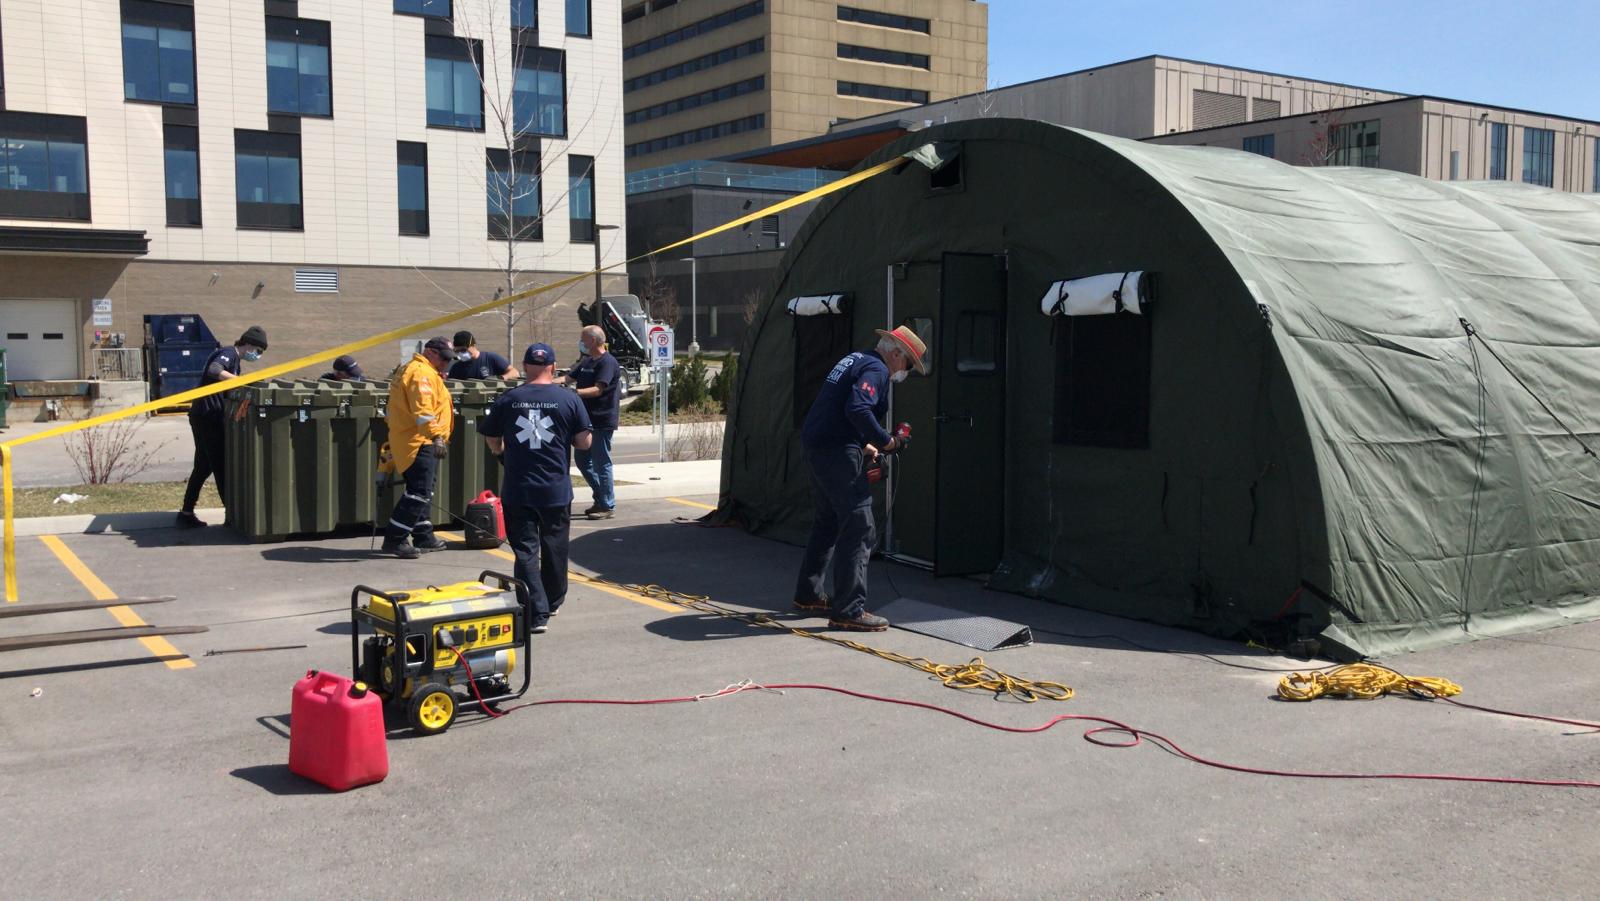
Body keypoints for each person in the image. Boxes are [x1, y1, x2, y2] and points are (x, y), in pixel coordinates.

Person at [792, 325, 926, 632]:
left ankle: (809, 593)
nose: (903, 372)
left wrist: (862, 443)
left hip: (818, 443)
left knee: (827, 521)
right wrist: (886, 442)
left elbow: (839, 409)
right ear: (896, 354)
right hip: (835, 451)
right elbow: (858, 407)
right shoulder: (877, 369)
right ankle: (849, 610)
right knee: (860, 524)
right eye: (906, 365)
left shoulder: (856, 359)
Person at [479, 343, 593, 633]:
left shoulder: (509, 399)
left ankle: (535, 611)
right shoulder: (568, 399)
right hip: (555, 489)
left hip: (519, 489)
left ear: (526, 366)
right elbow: (584, 442)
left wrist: (502, 452)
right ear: (553, 368)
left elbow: (491, 438)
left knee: (525, 551)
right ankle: (551, 602)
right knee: (555, 547)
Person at [176, 325, 268, 528]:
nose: (257, 356)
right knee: (220, 465)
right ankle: (233, 514)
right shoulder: (228, 354)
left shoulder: (236, 362)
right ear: (249, 344)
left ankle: (186, 512)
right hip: (208, 417)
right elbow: (214, 370)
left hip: (205, 415)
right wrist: (244, 381)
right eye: (258, 351)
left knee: (203, 466)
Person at [379, 336, 455, 559]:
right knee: (418, 492)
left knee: (423, 490)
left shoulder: (417, 370)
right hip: (419, 440)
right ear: (430, 352)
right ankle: (395, 539)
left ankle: (423, 535)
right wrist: (437, 437)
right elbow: (423, 411)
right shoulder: (421, 373)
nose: (446, 363)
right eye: (443, 358)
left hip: (415, 439)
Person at [560, 324, 621, 519]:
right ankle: (601, 498)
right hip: (584, 421)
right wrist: (542, 382)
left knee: (601, 463)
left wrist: (574, 394)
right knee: (582, 461)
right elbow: (567, 378)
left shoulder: (607, 362)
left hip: (601, 420)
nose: (581, 342)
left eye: (583, 339)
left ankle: (607, 505)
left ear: (593, 341)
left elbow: (598, 389)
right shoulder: (587, 361)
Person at [448, 330, 519, 381]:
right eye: (457, 351)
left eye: (463, 350)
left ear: (474, 345)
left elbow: (515, 373)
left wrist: (501, 378)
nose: (461, 353)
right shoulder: (456, 368)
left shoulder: (490, 358)